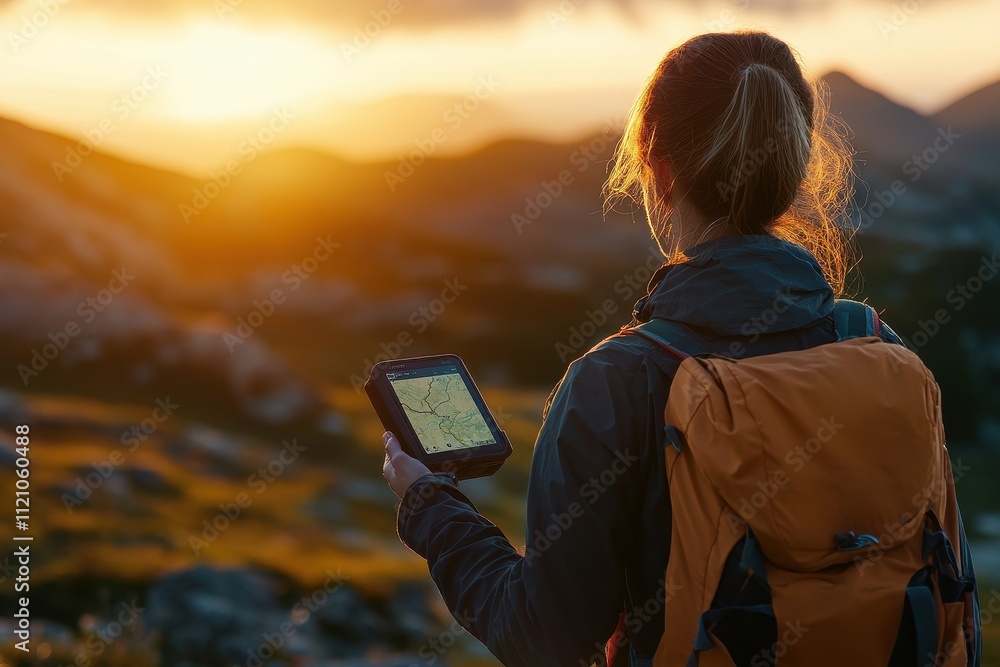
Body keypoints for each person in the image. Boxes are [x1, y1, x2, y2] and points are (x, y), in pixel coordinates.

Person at [380, 31, 970, 666]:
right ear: (797, 166)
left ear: (658, 172)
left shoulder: (616, 382)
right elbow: (948, 584)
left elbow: (543, 638)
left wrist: (429, 507)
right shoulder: (874, 342)